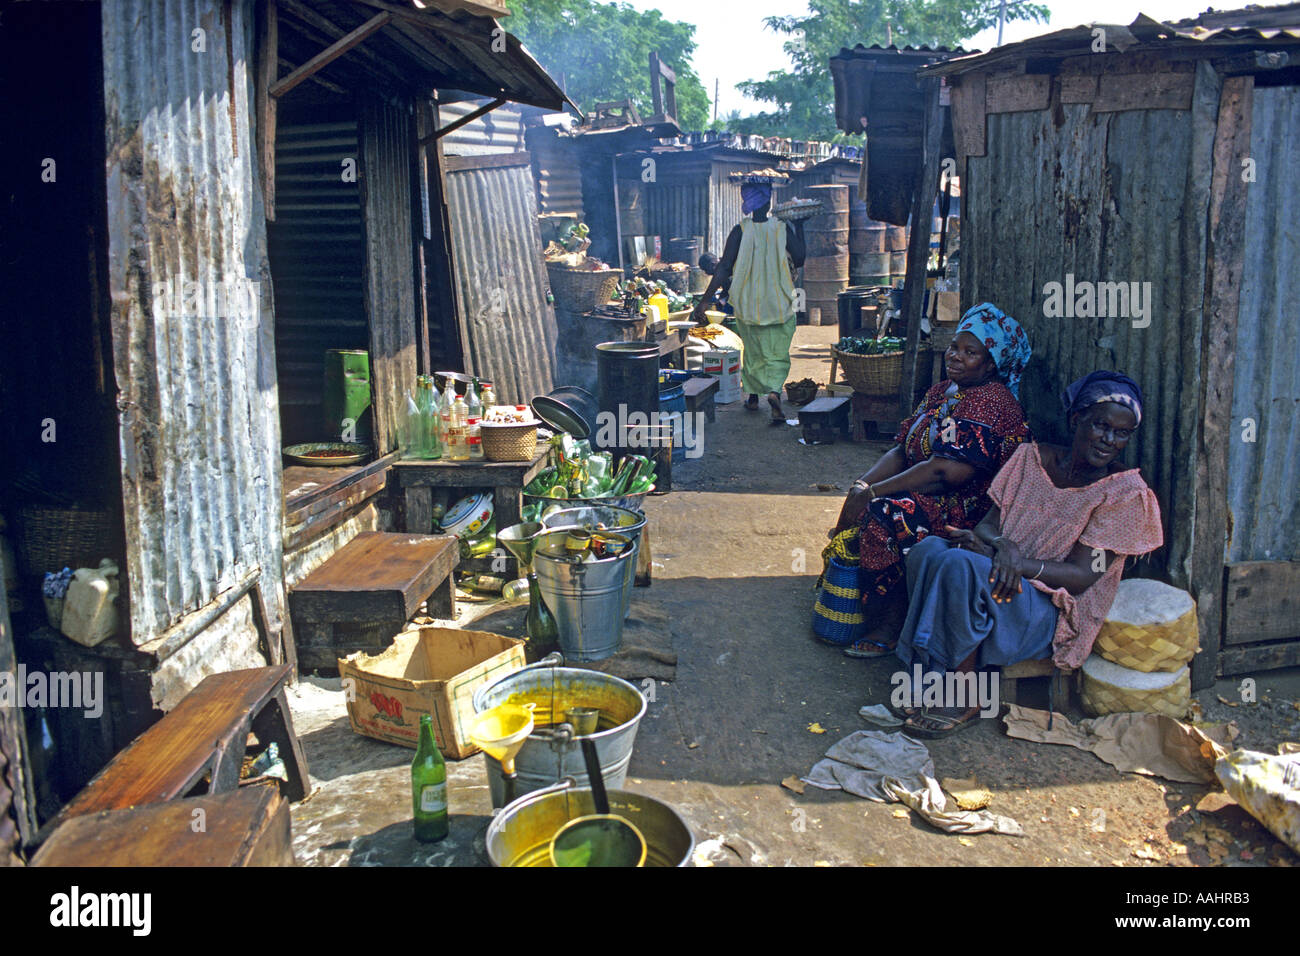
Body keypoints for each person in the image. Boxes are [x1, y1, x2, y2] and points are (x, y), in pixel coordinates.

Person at [894, 371, 1163, 738]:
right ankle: (935, 672)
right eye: (1101, 426)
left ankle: (966, 693)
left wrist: (1018, 564)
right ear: (1076, 419)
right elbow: (988, 526)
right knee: (927, 551)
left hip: (1047, 610)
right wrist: (1003, 547)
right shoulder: (1031, 460)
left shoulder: (1124, 494)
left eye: (1122, 433)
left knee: (959, 564)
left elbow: (1083, 575)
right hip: (1002, 581)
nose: (1109, 440)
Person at [825, 303, 1032, 658]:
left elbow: (946, 472)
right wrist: (860, 486)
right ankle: (864, 606)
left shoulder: (991, 402)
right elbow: (902, 449)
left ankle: (891, 623)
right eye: (954, 347)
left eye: (970, 352)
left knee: (887, 513)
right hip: (931, 492)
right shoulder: (943, 391)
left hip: (971, 509)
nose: (956, 356)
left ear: (992, 363)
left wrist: (873, 495)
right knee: (868, 502)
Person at [692, 179, 805, 423]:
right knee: (776, 353)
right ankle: (774, 393)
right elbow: (800, 259)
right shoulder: (781, 228)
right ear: (768, 200)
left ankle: (753, 397)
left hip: (748, 303)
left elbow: (723, 267)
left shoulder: (739, 231)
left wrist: (704, 301)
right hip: (779, 302)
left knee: (753, 352)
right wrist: (799, 226)